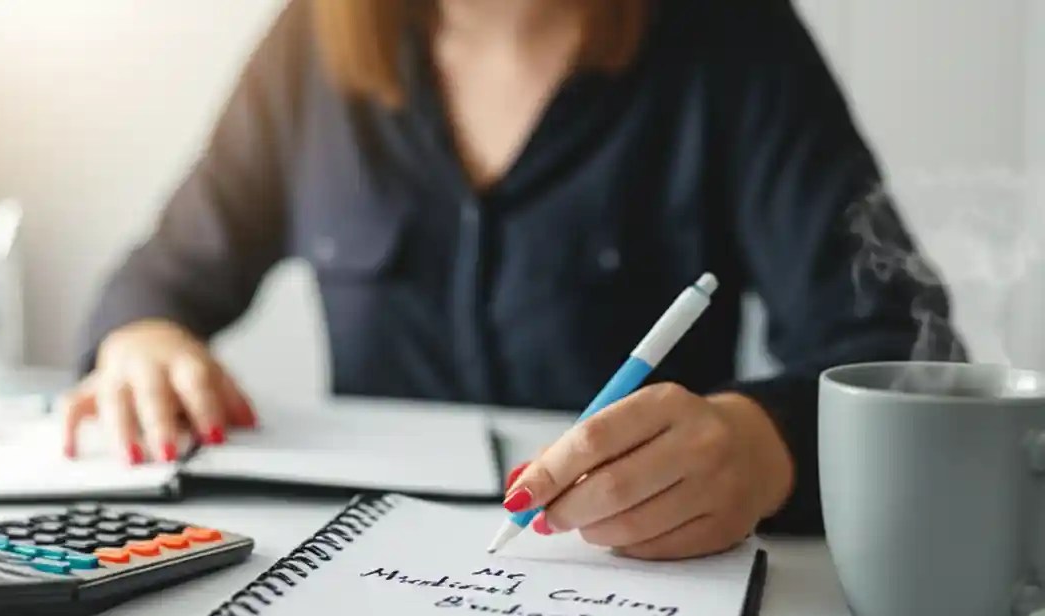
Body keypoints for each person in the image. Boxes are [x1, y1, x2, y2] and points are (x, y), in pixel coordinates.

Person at [65, 0, 960, 559]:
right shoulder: (311, 41)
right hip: (362, 583)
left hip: (627, 592)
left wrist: (763, 449)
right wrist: (142, 340)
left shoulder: (736, 36)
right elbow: (158, 282)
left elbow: (906, 356)